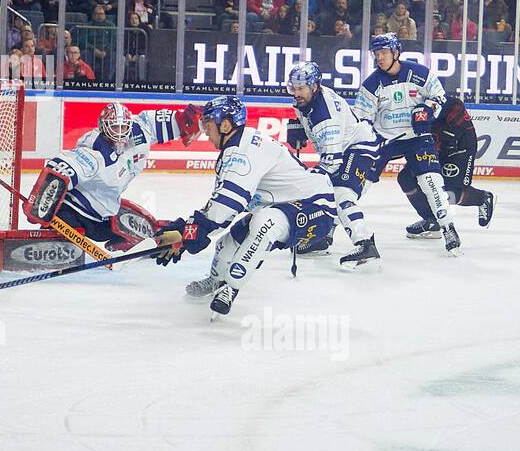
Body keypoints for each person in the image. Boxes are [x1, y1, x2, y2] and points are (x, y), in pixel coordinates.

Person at [153, 95, 337, 317]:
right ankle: (216, 281)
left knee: (264, 223)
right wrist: (185, 232)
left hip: (315, 207)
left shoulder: (243, 150)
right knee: (226, 245)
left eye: (209, 126)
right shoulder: (236, 148)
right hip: (283, 207)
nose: (206, 133)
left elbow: (226, 206)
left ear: (226, 125)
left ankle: (230, 287)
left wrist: (192, 232)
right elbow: (219, 209)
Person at [23, 100, 202, 252]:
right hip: (75, 213)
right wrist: (39, 204)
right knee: (63, 249)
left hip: (106, 215)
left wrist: (192, 120)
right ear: (103, 126)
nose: (119, 132)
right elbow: (60, 166)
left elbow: (178, 121)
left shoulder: (140, 130)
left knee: (149, 237)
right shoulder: (95, 149)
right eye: (114, 127)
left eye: (123, 127)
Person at [353, 32, 460, 254]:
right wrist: (365, 142)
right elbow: (362, 119)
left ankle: (448, 227)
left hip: (417, 138)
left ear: (396, 53)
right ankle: (329, 228)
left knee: (431, 181)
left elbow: (440, 96)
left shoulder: (419, 73)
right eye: (376, 54)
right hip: (384, 139)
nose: (379, 58)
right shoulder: (371, 84)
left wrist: (428, 108)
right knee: (356, 183)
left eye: (383, 53)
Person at [286, 62, 380, 266]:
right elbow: (305, 116)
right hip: (345, 148)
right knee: (328, 190)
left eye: (300, 88)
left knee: (339, 194)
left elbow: (332, 161)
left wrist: (308, 181)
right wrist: (298, 128)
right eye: (293, 87)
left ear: (314, 86)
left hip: (359, 149)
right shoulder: (310, 98)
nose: (296, 93)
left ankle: (365, 243)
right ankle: (322, 237)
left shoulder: (325, 116)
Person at [397, 91, 495, 236]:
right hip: (431, 145)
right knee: (406, 178)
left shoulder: (439, 100)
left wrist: (449, 135)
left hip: (460, 146)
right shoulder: (404, 104)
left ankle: (482, 198)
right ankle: (431, 220)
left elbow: (456, 107)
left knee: (450, 192)